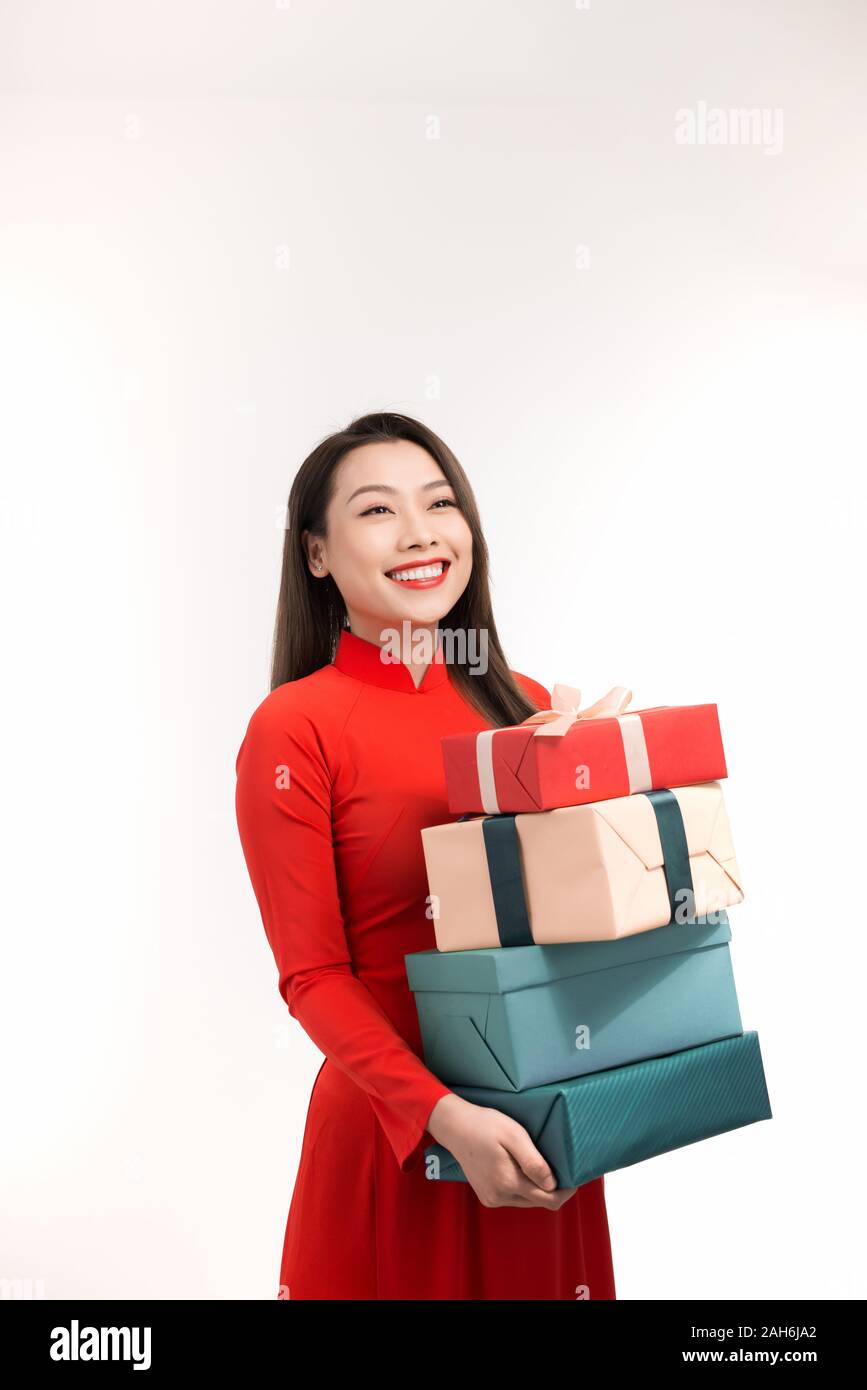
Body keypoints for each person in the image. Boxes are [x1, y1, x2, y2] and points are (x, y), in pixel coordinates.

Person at [234, 411, 616, 1300]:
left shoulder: (524, 709)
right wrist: (446, 1121)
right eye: (377, 511)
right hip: (402, 1135)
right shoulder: (294, 729)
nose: (420, 533)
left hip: (539, 1131)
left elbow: (581, 932)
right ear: (317, 555)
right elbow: (313, 977)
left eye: (439, 503)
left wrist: (606, 789)